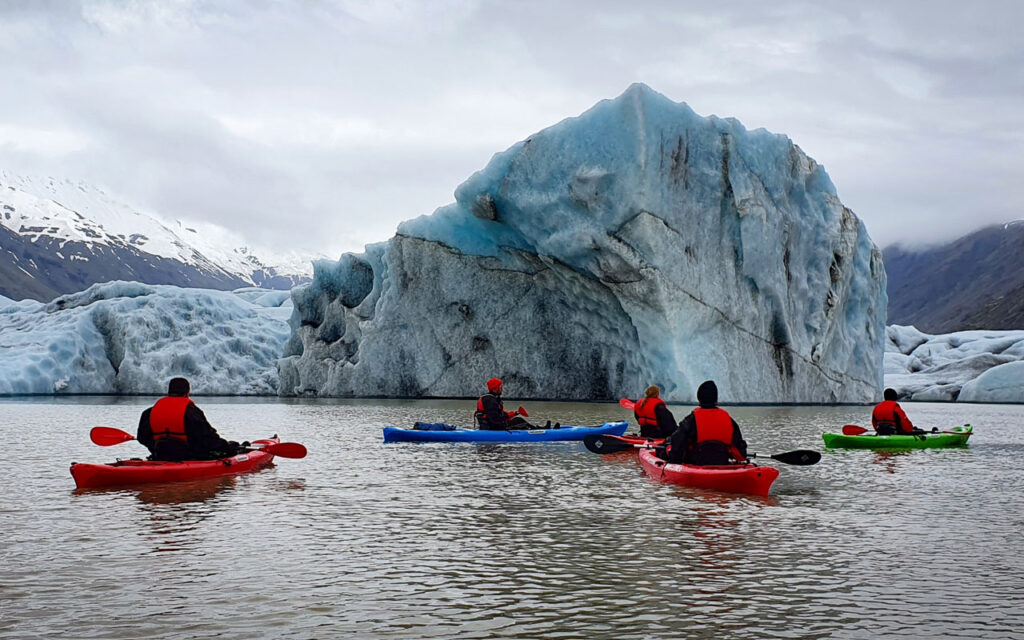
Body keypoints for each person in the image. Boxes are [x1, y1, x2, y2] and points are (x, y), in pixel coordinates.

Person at [137, 377, 244, 461]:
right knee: (224, 450)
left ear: (169, 392)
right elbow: (208, 439)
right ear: (187, 393)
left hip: (160, 454)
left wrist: (157, 449)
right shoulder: (191, 411)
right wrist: (228, 447)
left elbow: (142, 437)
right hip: (189, 456)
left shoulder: (150, 412)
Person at [664, 380, 747, 465]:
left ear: (699, 399)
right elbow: (741, 453)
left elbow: (677, 442)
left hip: (696, 464)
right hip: (722, 462)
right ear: (716, 399)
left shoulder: (691, 420)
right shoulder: (729, 420)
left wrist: (672, 459)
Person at [474, 378, 551, 430]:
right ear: (495, 389)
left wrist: (513, 413)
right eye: (500, 387)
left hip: (493, 425)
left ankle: (539, 428)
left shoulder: (490, 398)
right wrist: (509, 415)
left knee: (518, 420)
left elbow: (498, 414)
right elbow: (495, 418)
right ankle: (539, 431)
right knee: (519, 421)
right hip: (494, 427)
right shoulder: (490, 400)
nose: (502, 389)